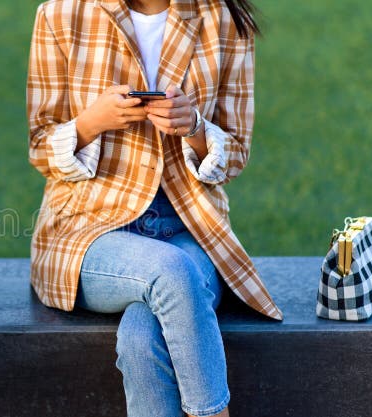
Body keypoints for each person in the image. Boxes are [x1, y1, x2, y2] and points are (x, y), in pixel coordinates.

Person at [26, 0, 282, 416]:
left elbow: (235, 151)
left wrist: (194, 126)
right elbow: (40, 148)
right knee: (170, 270)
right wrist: (93, 122)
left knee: (141, 338)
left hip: (191, 230)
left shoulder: (223, 19)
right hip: (88, 231)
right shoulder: (60, 14)